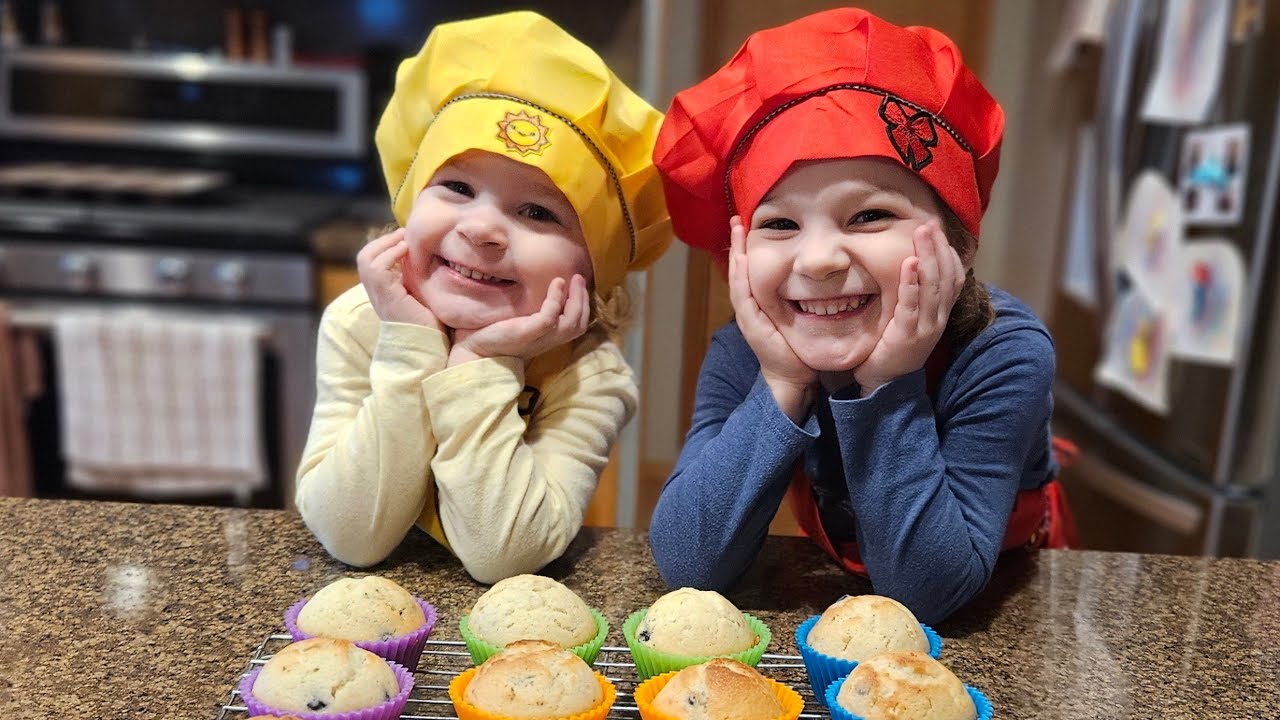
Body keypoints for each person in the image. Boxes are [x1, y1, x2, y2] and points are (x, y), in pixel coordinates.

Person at [648, 7, 1074, 623]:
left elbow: (927, 595)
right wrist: (781, 384)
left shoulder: (1003, 350)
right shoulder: (747, 351)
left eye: (869, 215)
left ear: (958, 241)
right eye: (780, 225)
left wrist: (889, 386)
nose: (819, 259)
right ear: (738, 255)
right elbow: (689, 565)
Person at [295, 11, 671, 583]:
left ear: (593, 271)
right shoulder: (361, 324)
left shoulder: (589, 377)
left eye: (537, 212)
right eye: (458, 187)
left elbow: (505, 556)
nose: (481, 229)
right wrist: (410, 346)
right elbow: (351, 535)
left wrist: (479, 363)